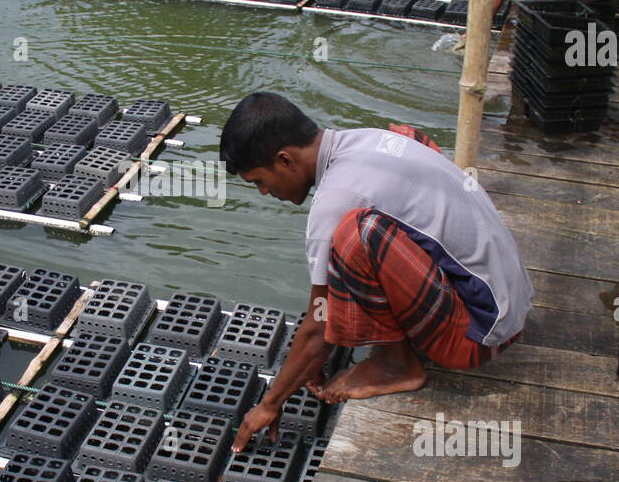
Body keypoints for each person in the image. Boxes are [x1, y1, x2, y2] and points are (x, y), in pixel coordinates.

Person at [219, 92, 533, 452]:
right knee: (408, 143)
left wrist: (269, 404)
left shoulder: (337, 198)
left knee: (357, 236)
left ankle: (397, 366)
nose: (263, 192)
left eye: (260, 180)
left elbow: (319, 325)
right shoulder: (368, 139)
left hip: (479, 337)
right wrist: (306, 366)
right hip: (509, 300)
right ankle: (395, 351)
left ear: (285, 159)